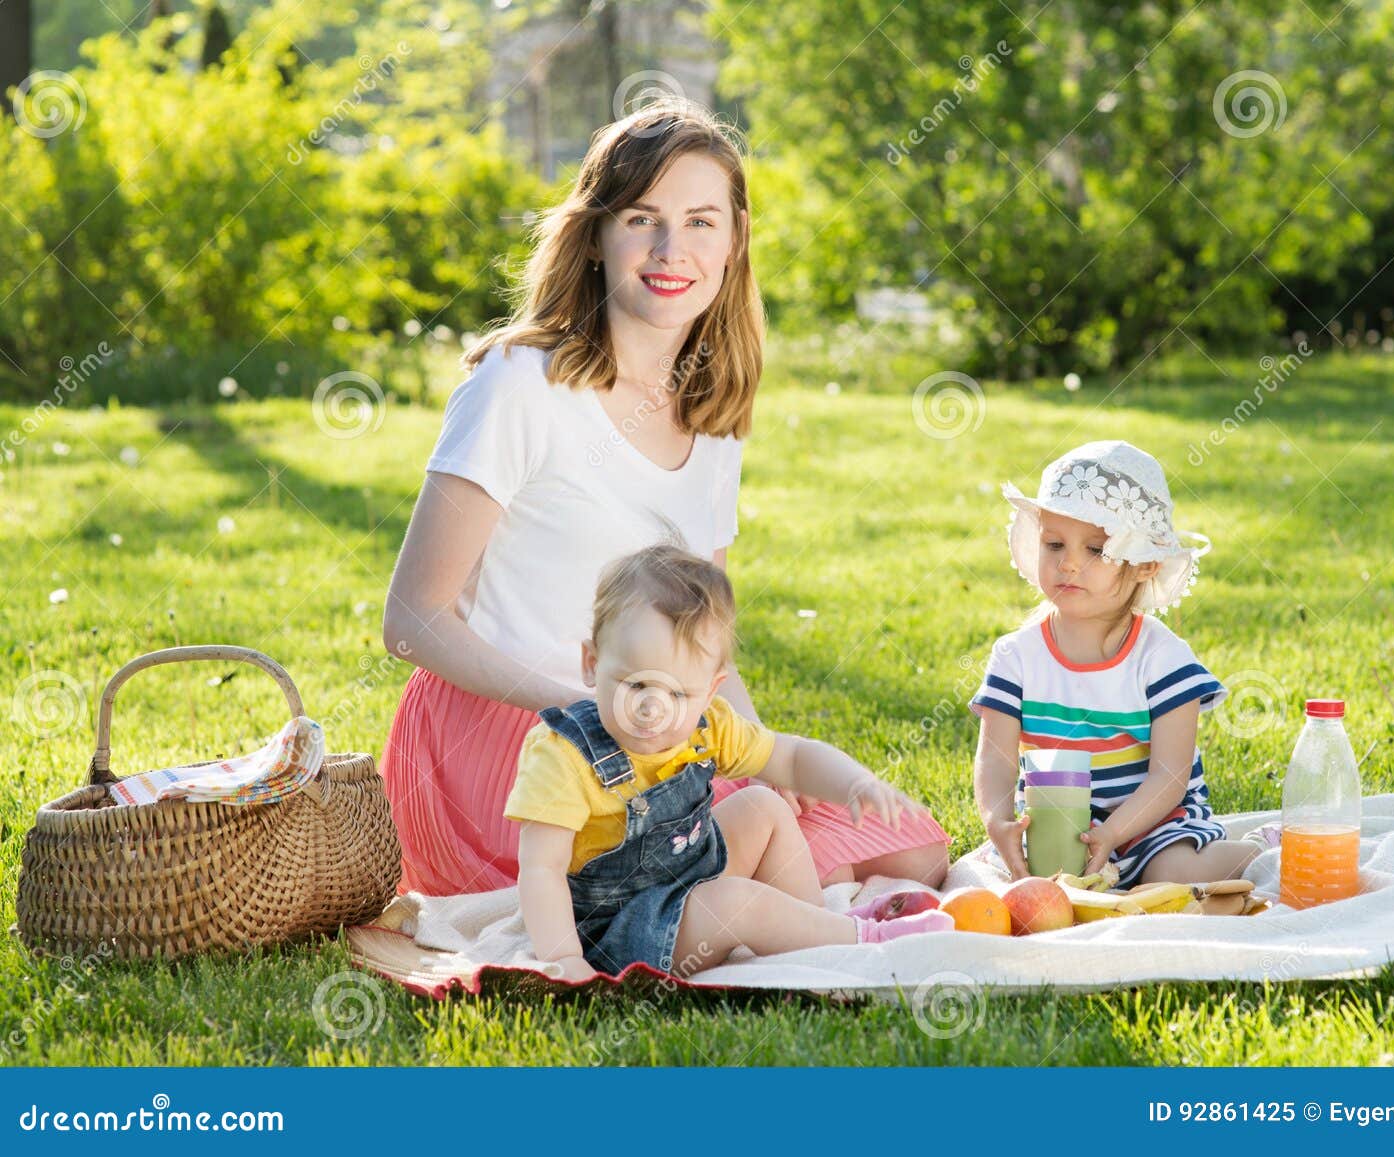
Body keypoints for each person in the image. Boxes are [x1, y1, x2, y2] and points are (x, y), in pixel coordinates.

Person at [380, 99, 950, 897]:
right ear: (598, 236)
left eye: (700, 222)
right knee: (754, 868)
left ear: (735, 239)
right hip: (514, 740)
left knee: (908, 848)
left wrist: (749, 749)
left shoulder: (713, 418)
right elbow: (411, 620)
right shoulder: (520, 383)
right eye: (642, 218)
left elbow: (702, 640)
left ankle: (763, 888)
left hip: (652, 729)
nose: (670, 248)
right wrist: (583, 709)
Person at [511, 545, 953, 981]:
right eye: (636, 682)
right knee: (738, 902)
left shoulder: (709, 726)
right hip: (617, 933)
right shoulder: (563, 753)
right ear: (592, 664)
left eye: (679, 694)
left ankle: (815, 925)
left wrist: (854, 782)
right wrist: (566, 959)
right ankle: (865, 941)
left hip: (687, 878)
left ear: (711, 689)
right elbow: (541, 868)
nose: (651, 709)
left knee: (763, 805)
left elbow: (793, 757)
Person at [969, 441, 1266, 886]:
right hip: (1055, 825)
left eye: (1095, 550)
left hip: (1150, 822)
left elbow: (1169, 776)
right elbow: (996, 761)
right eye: (1054, 544)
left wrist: (1112, 833)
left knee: (1169, 876)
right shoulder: (1016, 657)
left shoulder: (1161, 658)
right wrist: (998, 819)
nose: (1068, 562)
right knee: (1018, 887)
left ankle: (1257, 850)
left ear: (1145, 564)